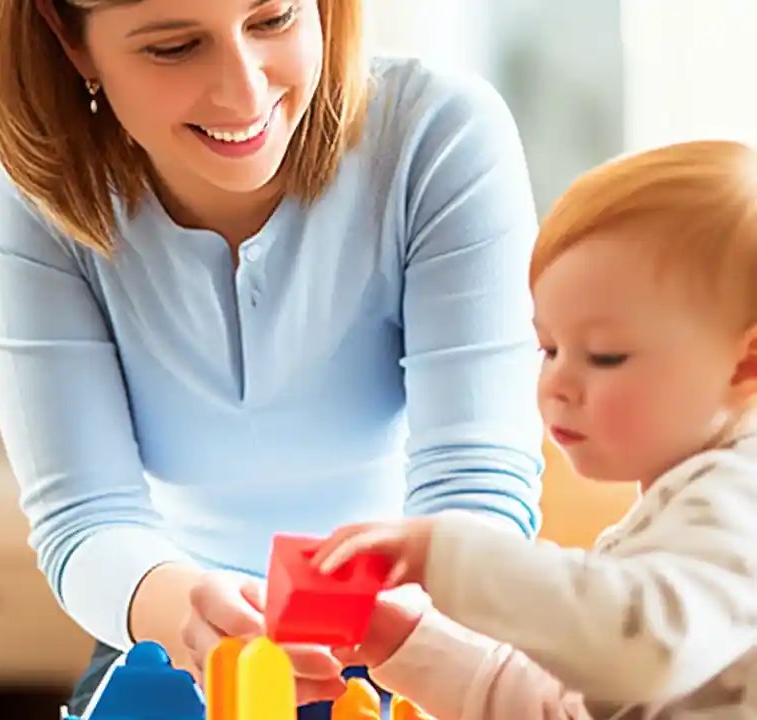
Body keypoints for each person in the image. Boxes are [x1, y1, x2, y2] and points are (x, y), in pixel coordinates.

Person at [0, 0, 547, 715]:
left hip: (422, 632)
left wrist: (405, 642)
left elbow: (477, 486)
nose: (244, 90)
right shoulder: (42, 189)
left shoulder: (438, 133)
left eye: (274, 20)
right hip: (169, 625)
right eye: (173, 47)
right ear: (68, 39)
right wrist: (189, 621)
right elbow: (84, 517)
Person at [313, 139, 757, 719]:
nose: (558, 385)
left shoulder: (738, 500)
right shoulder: (681, 508)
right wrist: (411, 646)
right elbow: (576, 707)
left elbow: (647, 649)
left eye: (603, 356)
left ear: (745, 364)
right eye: (549, 348)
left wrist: (450, 554)